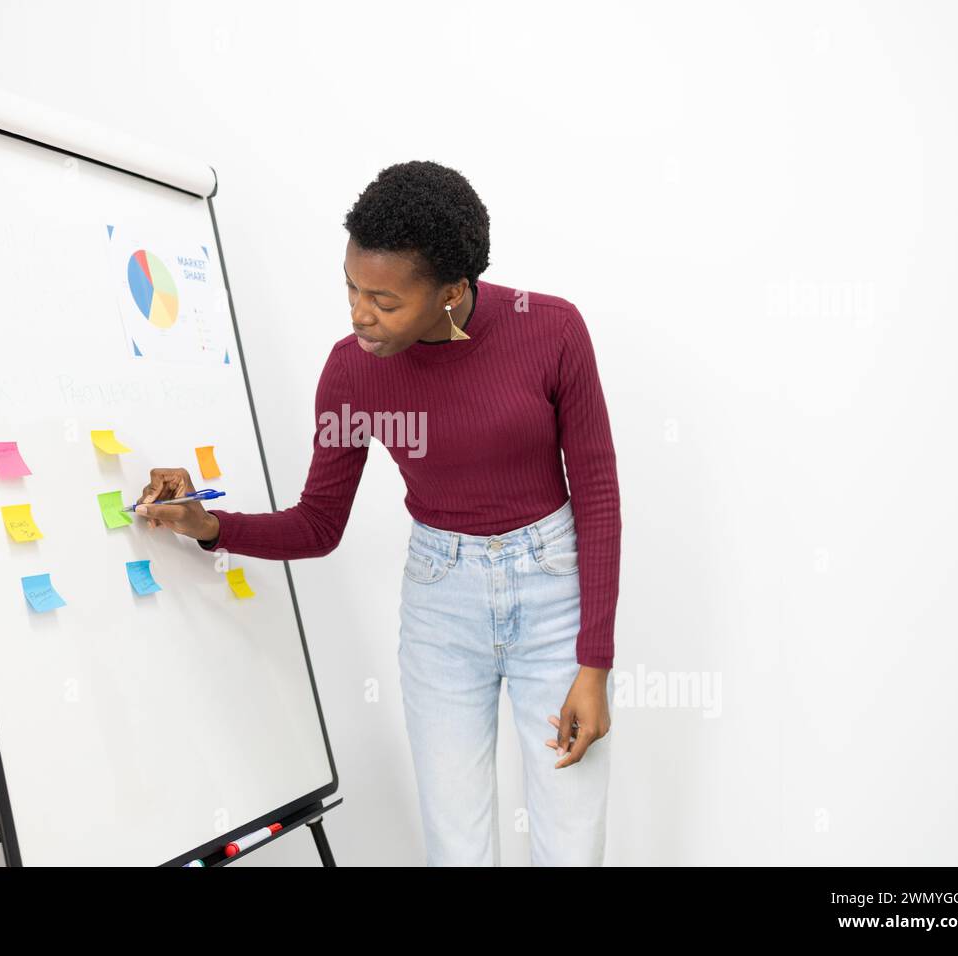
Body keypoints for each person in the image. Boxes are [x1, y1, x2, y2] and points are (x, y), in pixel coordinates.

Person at [136, 160, 622, 866]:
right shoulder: (352, 372)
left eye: (384, 300)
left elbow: (599, 495)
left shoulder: (551, 331)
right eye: (352, 288)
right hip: (440, 606)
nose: (360, 314)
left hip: (555, 596)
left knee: (571, 846)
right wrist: (210, 526)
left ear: (452, 292)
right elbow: (318, 524)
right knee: (456, 847)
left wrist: (594, 664)